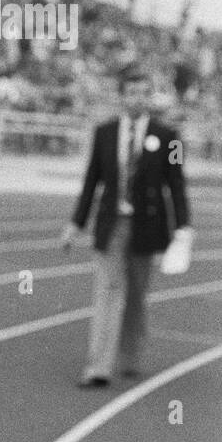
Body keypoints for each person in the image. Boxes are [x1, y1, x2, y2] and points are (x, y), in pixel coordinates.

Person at [63, 66, 191, 388]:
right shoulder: (103, 132)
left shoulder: (168, 137)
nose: (137, 99)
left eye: (144, 93)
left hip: (147, 226)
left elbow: (176, 182)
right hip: (112, 224)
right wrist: (75, 223)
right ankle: (98, 367)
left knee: (136, 294)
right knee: (108, 291)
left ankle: (130, 356)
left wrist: (184, 227)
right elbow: (91, 180)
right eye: (131, 92)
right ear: (122, 96)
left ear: (150, 97)